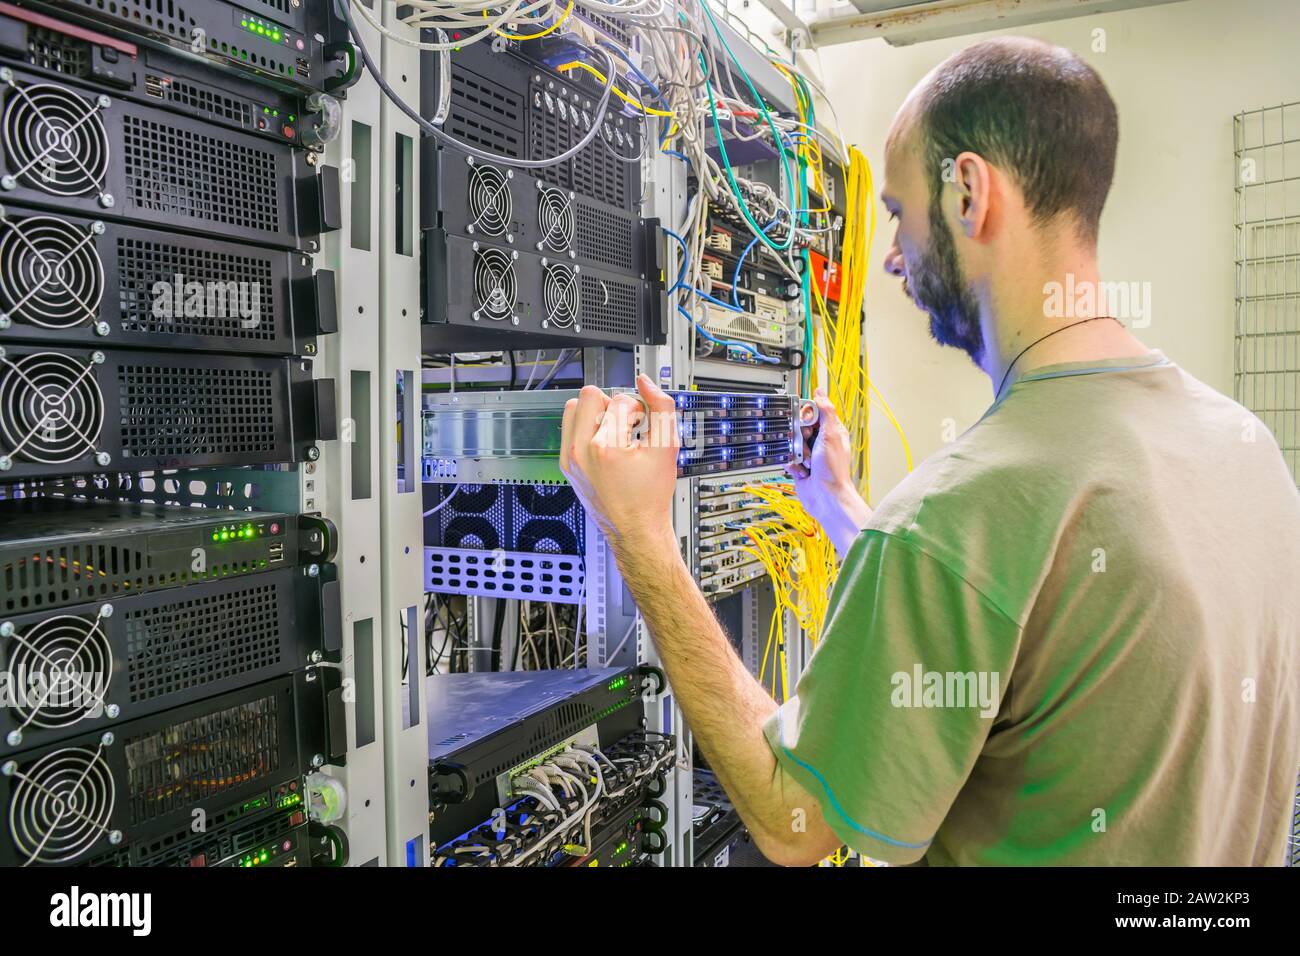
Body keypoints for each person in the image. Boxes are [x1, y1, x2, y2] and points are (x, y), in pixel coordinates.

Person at [558, 36, 1300, 865]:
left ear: (970, 194)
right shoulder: (1245, 446)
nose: (890, 256)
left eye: (901, 215)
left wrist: (642, 538)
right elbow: (1020, 635)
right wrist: (845, 515)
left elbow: (792, 822)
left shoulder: (958, 513)